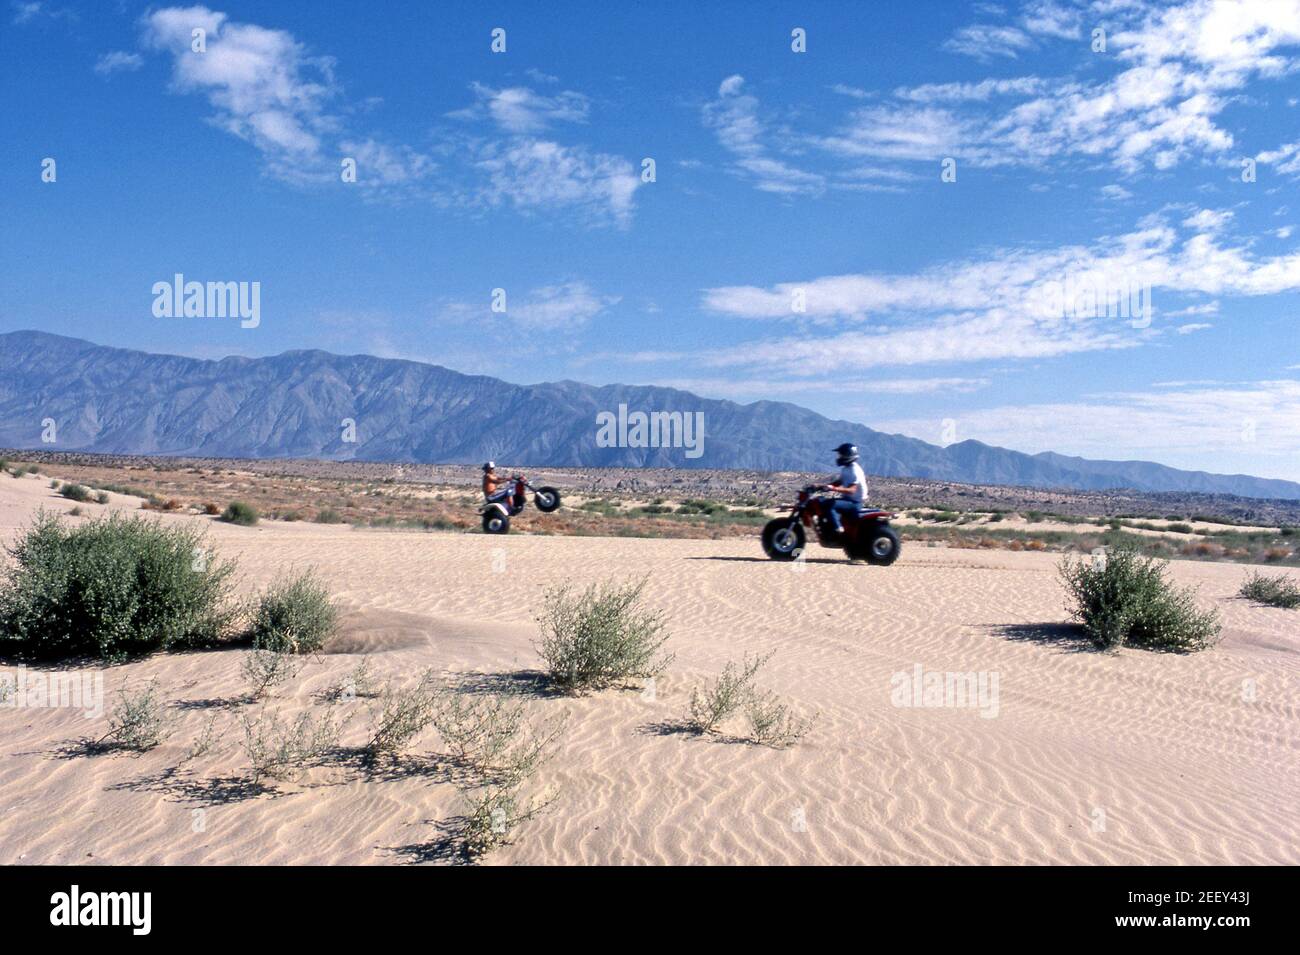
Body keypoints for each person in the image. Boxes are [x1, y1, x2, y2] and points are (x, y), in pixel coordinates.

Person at [824, 443, 867, 534]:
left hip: (855, 503)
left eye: (841, 455)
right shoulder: (846, 468)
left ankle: (838, 529)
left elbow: (852, 490)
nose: (839, 457)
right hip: (847, 500)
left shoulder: (855, 470)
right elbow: (839, 482)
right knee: (822, 501)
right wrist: (820, 486)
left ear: (848, 456)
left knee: (830, 505)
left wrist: (833, 488)